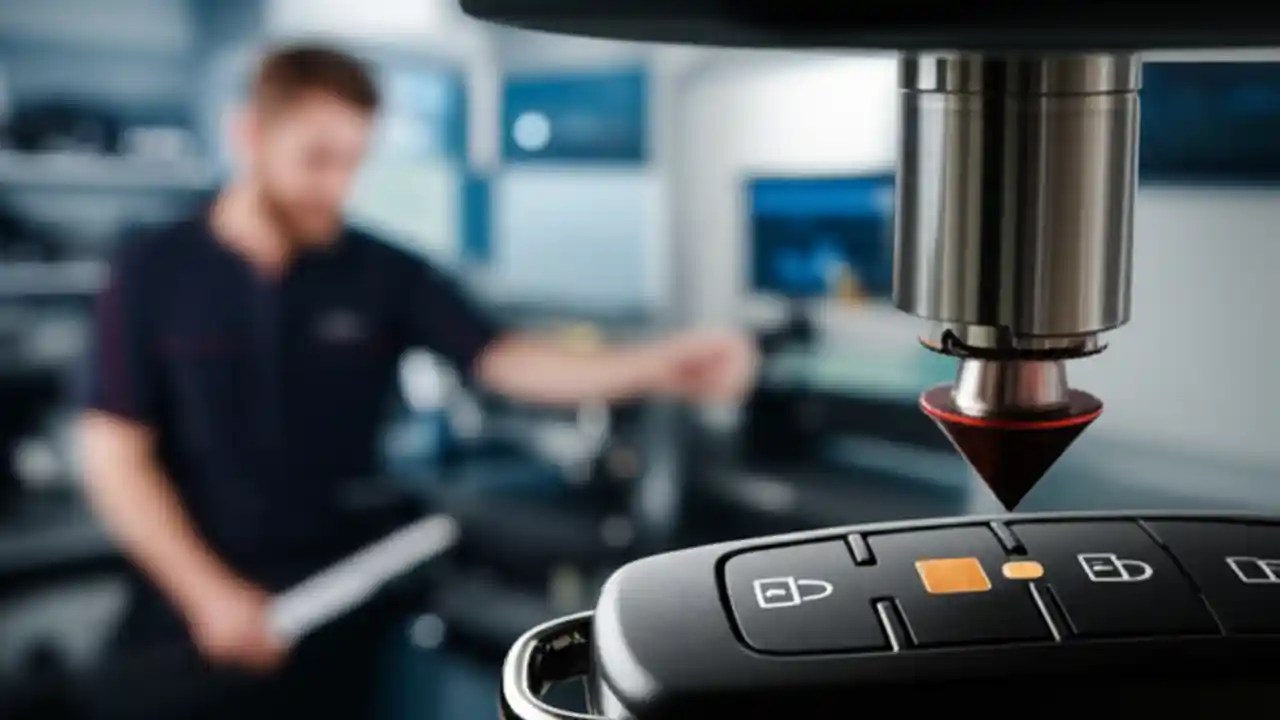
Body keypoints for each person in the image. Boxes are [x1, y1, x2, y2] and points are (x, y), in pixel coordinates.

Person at [78, 45, 755, 718]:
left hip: (337, 601)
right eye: (318, 158)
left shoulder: (383, 271)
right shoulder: (151, 270)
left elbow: (505, 359)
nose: (337, 186)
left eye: (354, 162)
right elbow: (115, 455)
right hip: (189, 609)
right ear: (248, 135)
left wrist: (660, 365)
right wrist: (209, 597)